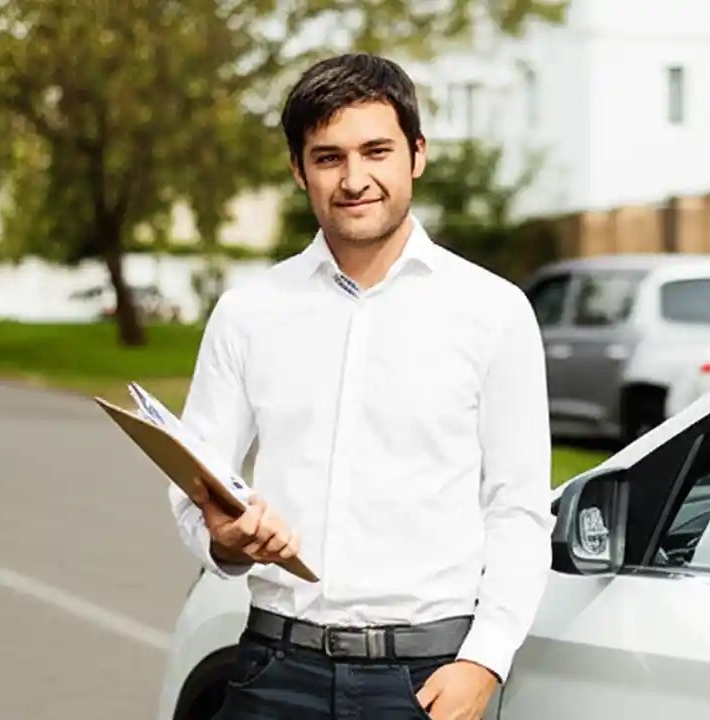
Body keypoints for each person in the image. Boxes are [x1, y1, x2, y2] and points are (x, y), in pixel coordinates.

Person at [168, 52, 554, 720]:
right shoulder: (248, 312)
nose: (354, 179)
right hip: (273, 669)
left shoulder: (493, 311)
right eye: (327, 157)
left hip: (427, 681)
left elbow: (517, 508)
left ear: (417, 154)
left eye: (376, 150)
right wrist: (224, 540)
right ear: (299, 170)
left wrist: (484, 661)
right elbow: (192, 482)